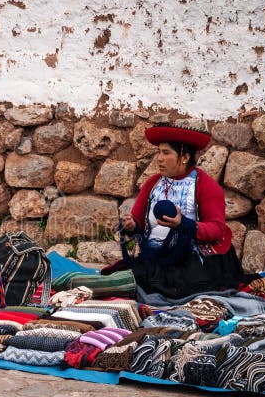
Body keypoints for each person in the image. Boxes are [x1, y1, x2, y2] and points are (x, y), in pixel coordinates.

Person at [102, 121, 257, 298]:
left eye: (166, 152)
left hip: (192, 259)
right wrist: (131, 225)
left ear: (184, 157)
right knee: (129, 277)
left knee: (176, 287)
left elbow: (217, 229)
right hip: (157, 256)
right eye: (158, 152)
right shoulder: (152, 184)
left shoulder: (205, 186)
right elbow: (136, 220)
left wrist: (183, 224)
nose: (159, 158)